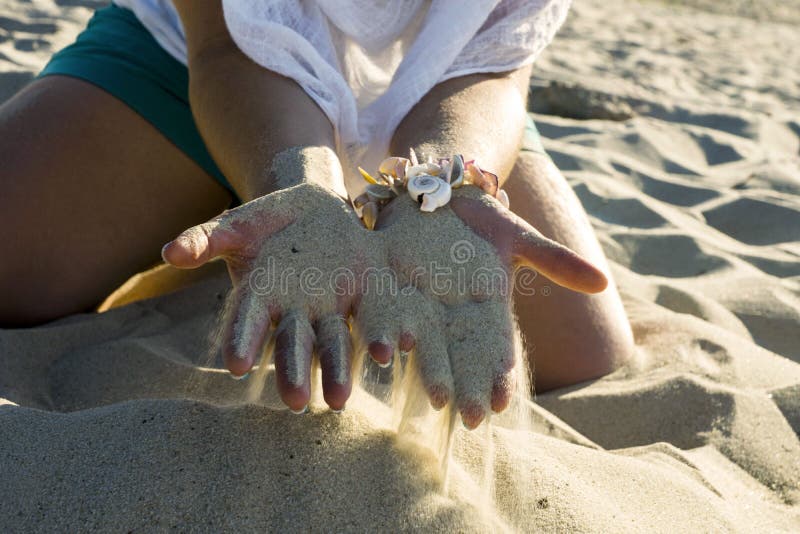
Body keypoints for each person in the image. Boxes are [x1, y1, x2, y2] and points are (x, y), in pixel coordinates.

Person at [0, 0, 633, 426]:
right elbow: (224, 45)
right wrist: (301, 188)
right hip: (203, 59)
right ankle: (240, 197)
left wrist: (439, 183)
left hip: (445, 90)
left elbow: (495, 63)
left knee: (581, 353)